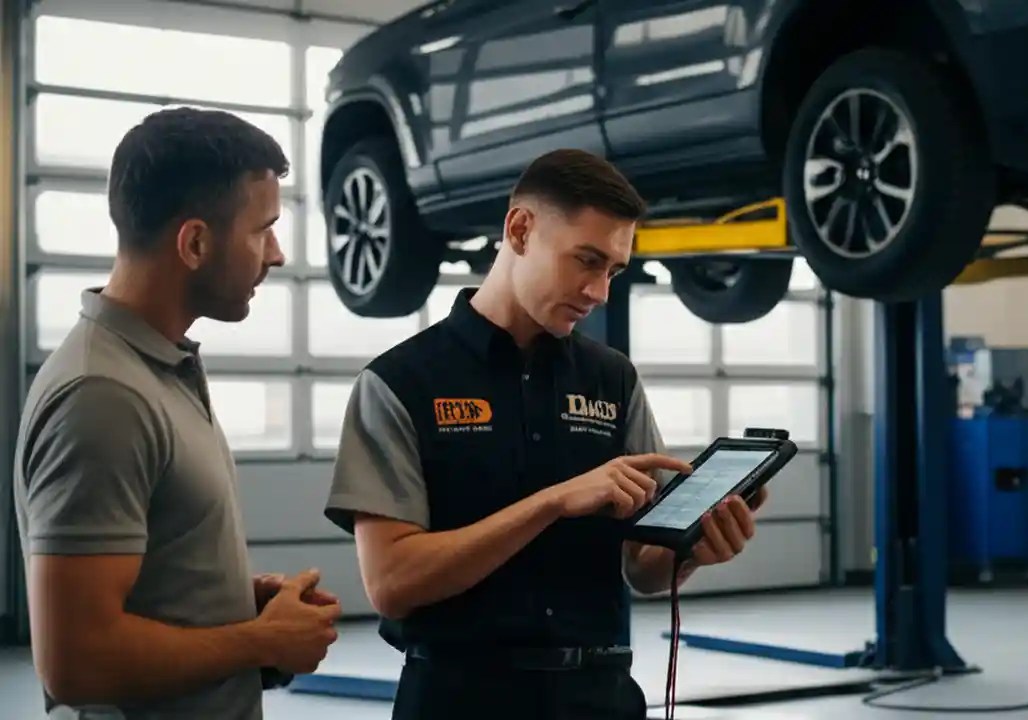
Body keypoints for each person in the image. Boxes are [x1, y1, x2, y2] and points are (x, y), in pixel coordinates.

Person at [323, 148, 769, 720]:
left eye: (613, 271)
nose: (599, 291)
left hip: (600, 700)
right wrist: (553, 502)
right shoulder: (399, 384)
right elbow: (392, 582)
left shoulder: (613, 380)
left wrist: (694, 551)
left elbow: (643, 566)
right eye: (586, 260)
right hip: (460, 701)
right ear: (520, 230)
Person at [12, 107, 342, 720]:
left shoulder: (156, 369)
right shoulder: (103, 396)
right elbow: (76, 660)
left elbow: (141, 588)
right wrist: (261, 641)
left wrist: (234, 606)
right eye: (262, 230)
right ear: (194, 243)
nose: (276, 254)